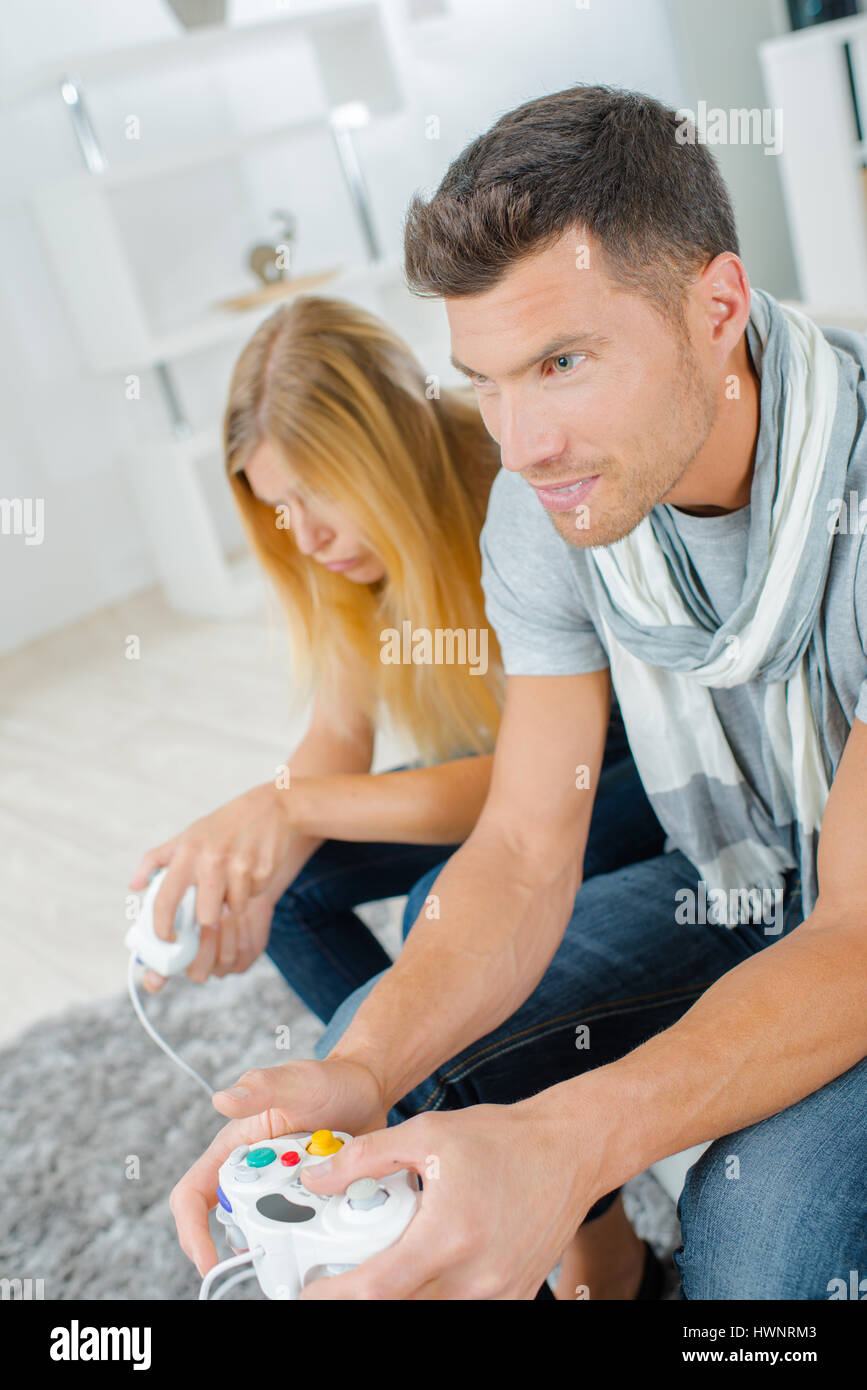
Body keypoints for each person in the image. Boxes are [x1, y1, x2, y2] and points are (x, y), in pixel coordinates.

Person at [171, 85, 867, 1302]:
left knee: (758, 1241)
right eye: (486, 381)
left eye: (561, 362)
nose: (522, 439)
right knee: (385, 1084)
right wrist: (369, 1063)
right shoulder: (545, 504)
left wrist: (569, 1139)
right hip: (745, 870)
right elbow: (528, 843)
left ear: (717, 308)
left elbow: (856, 936)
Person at [129, 292, 662, 1030]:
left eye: (318, 493)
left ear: (388, 447)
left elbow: (531, 783)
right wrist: (252, 865)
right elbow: (341, 735)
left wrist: (284, 805)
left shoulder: (520, 490)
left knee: (436, 909)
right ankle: (424, 1098)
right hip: (513, 766)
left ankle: (475, 1083)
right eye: (280, 507)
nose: (304, 538)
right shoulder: (335, 544)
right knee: (285, 893)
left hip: (629, 764)